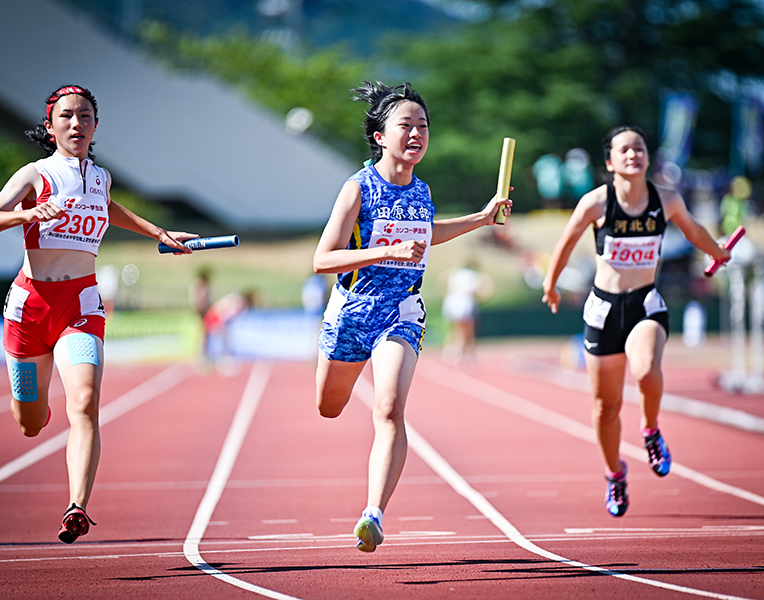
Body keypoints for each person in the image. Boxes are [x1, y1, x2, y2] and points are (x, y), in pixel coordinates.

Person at [0, 85, 195, 543]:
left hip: (81, 304)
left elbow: (106, 208)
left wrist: (158, 230)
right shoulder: (35, 174)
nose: (77, 124)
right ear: (51, 126)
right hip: (30, 307)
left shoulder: (101, 176)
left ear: (95, 125)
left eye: (85, 116)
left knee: (86, 403)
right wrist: (26, 214)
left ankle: (77, 506)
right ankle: (33, 402)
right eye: (67, 116)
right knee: (30, 423)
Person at [313, 80, 511, 552]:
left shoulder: (422, 190)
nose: (417, 133)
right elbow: (323, 258)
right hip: (352, 312)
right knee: (328, 406)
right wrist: (387, 250)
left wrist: (482, 218)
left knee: (389, 409)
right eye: (406, 125)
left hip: (401, 312)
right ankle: (372, 507)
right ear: (381, 136)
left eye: (423, 125)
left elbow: (429, 232)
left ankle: (373, 513)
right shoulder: (357, 187)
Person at [541, 126, 730, 518]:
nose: (633, 155)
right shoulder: (596, 202)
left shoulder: (666, 199)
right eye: (625, 150)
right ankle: (615, 474)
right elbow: (566, 241)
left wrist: (717, 251)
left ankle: (650, 430)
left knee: (646, 371)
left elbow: (693, 231)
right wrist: (551, 285)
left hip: (645, 302)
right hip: (604, 309)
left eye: (640, 148)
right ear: (610, 162)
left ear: (648, 157)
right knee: (605, 406)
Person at [441, 260, 493, 365]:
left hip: (451, 301)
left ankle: (450, 351)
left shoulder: (455, 273)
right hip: (465, 303)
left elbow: (443, 280)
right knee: (468, 331)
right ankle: (464, 354)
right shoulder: (474, 275)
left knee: (454, 329)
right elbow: (482, 288)